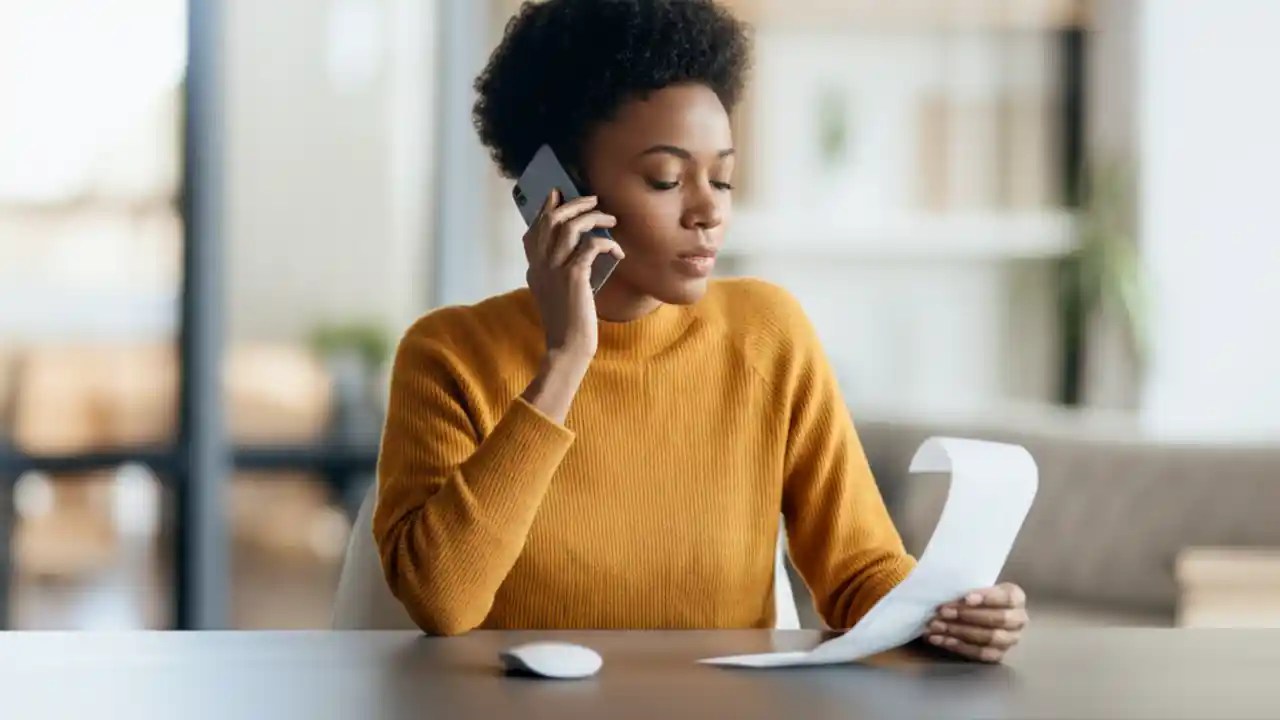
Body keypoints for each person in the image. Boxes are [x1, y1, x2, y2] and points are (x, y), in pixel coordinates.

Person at [373, 0, 1028, 662]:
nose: (709, 210)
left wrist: (950, 615)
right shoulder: (448, 355)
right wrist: (565, 361)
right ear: (561, 192)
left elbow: (860, 576)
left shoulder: (768, 335)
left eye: (723, 177)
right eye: (666, 179)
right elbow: (441, 600)